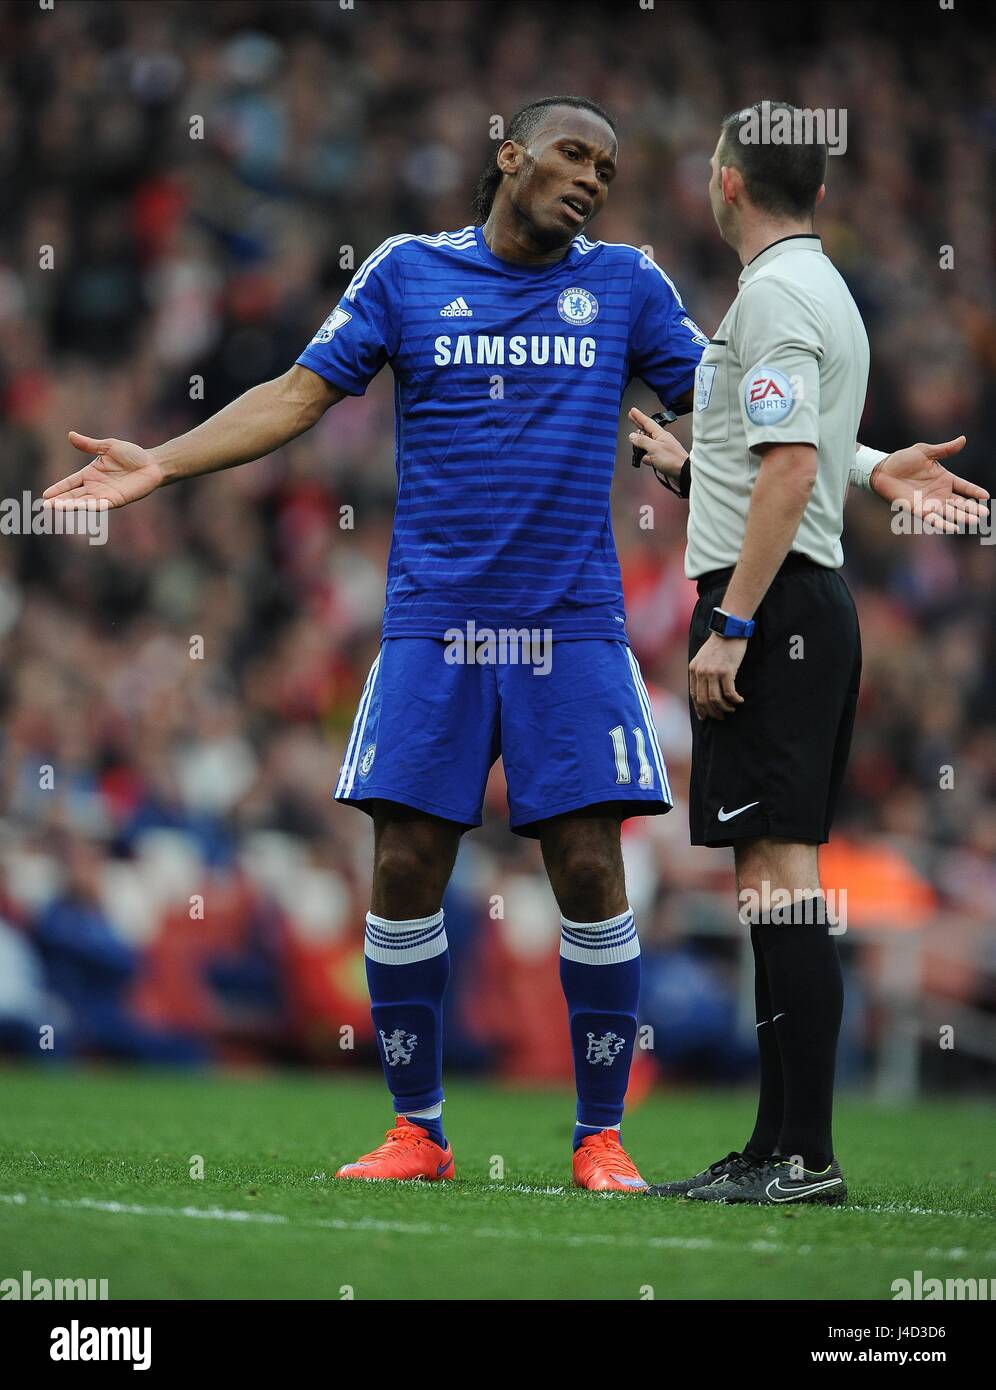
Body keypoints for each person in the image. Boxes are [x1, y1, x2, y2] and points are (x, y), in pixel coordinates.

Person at [45, 95, 981, 1195]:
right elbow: (298, 395)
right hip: (433, 623)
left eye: (608, 167)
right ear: (509, 155)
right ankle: (418, 1131)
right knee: (404, 864)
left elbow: (743, 421)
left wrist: (871, 468)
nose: (591, 177)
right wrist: (163, 459)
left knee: (589, 866)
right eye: (574, 154)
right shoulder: (404, 272)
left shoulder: (627, 285)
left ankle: (600, 1136)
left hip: (572, 627)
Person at [631, 101, 988, 1205]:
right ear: (820, 193)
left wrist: (731, 620)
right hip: (795, 597)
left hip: (775, 608)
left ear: (725, 183)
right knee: (770, 884)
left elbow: (789, 469)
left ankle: (804, 1155)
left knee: (783, 882)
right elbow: (776, 457)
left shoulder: (775, 293)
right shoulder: (815, 287)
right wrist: (694, 471)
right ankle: (773, 1145)